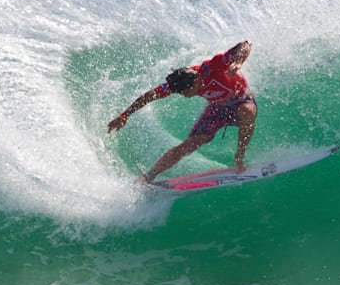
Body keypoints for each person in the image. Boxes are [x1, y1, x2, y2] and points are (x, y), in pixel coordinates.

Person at [108, 40, 257, 183]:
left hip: (242, 100)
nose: (184, 95)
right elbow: (149, 96)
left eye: (185, 92)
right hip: (218, 107)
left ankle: (239, 158)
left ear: (197, 82)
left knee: (247, 111)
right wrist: (124, 115)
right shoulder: (183, 81)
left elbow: (245, 44)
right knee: (190, 144)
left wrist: (238, 63)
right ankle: (149, 176)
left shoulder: (214, 66)